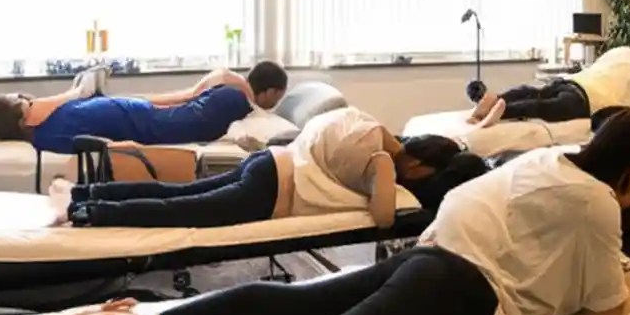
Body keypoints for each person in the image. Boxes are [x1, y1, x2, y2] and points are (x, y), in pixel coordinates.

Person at [28, 109, 630, 315]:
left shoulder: (544, 160)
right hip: (458, 302)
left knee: (293, 308)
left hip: (432, 257)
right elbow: (609, 312)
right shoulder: (598, 205)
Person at [51, 105, 458, 229]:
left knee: (178, 195)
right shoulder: (380, 161)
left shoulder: (360, 117)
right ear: (419, 164)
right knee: (178, 210)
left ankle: (88, 193)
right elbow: (385, 217)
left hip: (267, 163)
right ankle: (89, 211)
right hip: (270, 193)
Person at [0, 62, 289, 155]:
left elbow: (75, 94)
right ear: (20, 119)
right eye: (21, 102)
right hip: (161, 125)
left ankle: (247, 103)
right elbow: (71, 96)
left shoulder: (48, 118)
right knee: (229, 95)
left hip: (151, 114)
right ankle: (251, 106)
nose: (28, 99)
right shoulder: (47, 131)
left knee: (220, 82)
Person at [468, 47, 630, 125]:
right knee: (541, 108)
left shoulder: (624, 51)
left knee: (536, 93)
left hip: (573, 82)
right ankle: (499, 112)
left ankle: (496, 99)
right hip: (588, 100)